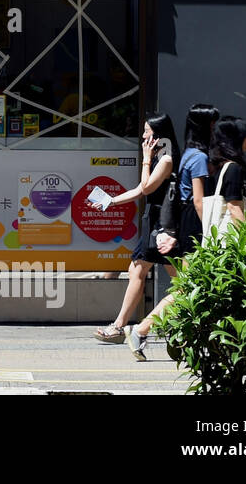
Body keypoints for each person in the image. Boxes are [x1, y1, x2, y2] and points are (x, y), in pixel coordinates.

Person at [124, 105, 229, 360]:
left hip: (187, 225)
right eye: (213, 125)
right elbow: (197, 200)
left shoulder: (190, 154)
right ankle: (141, 329)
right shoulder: (198, 158)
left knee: (189, 286)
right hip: (195, 226)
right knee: (187, 287)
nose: (216, 130)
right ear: (206, 127)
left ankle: (180, 336)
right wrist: (212, 232)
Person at [92, 113, 178, 343]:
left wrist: (146, 158)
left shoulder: (166, 160)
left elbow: (147, 188)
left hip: (163, 225)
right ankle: (120, 326)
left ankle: (124, 327)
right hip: (154, 221)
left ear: (158, 134)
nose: (143, 136)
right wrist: (111, 201)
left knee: (179, 282)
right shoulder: (162, 157)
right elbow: (141, 189)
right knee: (137, 270)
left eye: (147, 131)